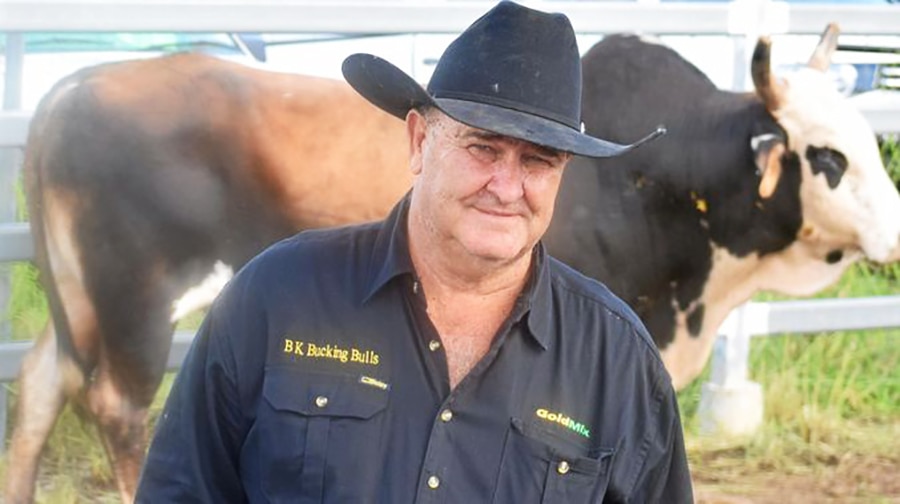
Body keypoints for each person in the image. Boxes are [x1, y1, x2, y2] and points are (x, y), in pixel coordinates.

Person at [136, 1, 693, 502]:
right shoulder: (277, 297)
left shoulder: (618, 364)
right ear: (419, 142)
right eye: (482, 146)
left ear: (561, 173)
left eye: (538, 161)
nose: (506, 185)